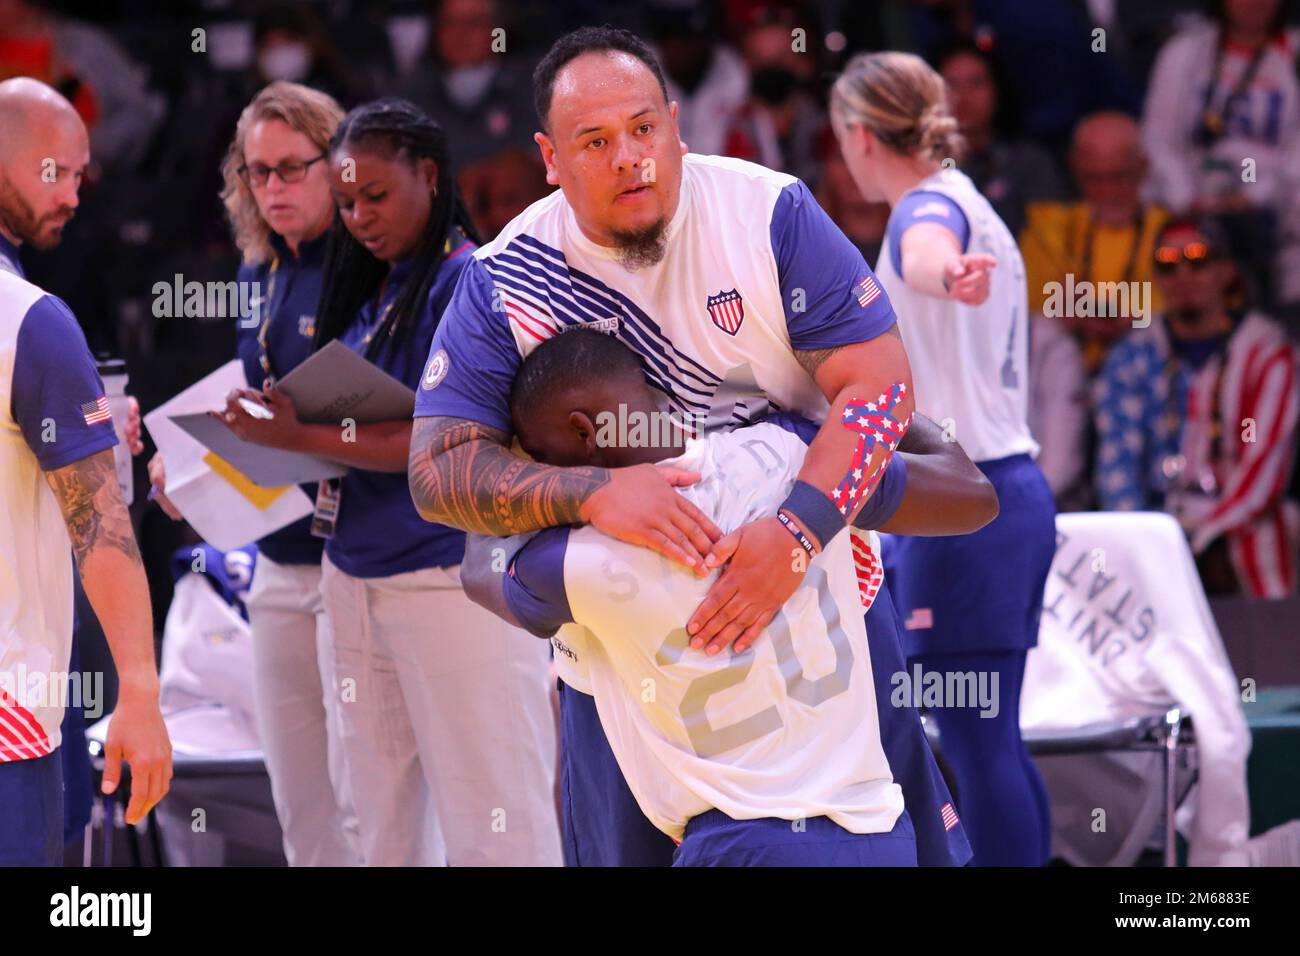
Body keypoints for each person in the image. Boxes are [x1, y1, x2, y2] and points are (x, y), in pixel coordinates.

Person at [408, 26, 916, 865]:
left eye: (644, 129)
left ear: (676, 125)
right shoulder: (506, 278)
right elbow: (437, 470)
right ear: (549, 157)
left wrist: (795, 534)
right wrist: (591, 494)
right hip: (620, 650)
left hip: (810, 601)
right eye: (596, 142)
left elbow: (883, 386)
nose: (629, 158)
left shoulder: (768, 211)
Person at [464, 329, 997, 865]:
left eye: (537, 455)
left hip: (735, 838)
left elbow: (479, 568)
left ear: (582, 433)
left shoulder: (579, 558)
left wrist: (492, 464)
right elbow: (971, 493)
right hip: (873, 826)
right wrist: (858, 394)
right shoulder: (797, 457)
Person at [220, 97, 561, 866]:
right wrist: (285, 430)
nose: (360, 218)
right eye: (346, 204)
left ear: (429, 175)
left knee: (498, 820)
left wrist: (301, 434)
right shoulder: (371, 291)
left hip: (452, 579)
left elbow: (444, 440)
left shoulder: (468, 276)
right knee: (379, 830)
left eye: (376, 196)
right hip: (353, 575)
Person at [830, 51, 1056, 866]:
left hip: (969, 504)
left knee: (974, 742)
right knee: (991, 739)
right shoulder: (969, 199)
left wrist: (943, 272)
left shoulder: (927, 209)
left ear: (858, 134)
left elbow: (929, 249)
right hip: (1006, 497)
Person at [147, 81, 360, 867]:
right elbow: (258, 413)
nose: (272, 189)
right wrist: (196, 475)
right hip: (278, 558)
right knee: (301, 804)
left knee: (370, 802)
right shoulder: (254, 275)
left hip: (360, 559)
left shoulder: (370, 266)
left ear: (336, 166)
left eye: (291, 169)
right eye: (257, 173)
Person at [0, 76, 170, 865]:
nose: (74, 192)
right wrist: (138, 690)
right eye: (57, 172)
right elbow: (99, 527)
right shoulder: (33, 320)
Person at [1095, 215, 1299, 598]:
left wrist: (1204, 540)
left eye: (1198, 260)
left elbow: (1264, 474)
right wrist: (1153, 546)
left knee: (1266, 535)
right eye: (1168, 265)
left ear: (1226, 271)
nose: (1183, 275)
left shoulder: (1266, 355)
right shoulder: (1132, 358)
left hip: (1243, 535)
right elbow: (1117, 470)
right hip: (1156, 536)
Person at [1142, 0, 1300, 307]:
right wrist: (1187, 197)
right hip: (1189, 204)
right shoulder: (1184, 53)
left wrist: (1257, 195)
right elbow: (1158, 139)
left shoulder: (1295, 54)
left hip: (1276, 213)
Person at [1020, 112, 1169, 375]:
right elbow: (1027, 305)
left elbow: (1184, 301)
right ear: (1075, 168)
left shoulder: (1168, 231)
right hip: (1062, 371)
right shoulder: (1049, 229)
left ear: (1143, 168)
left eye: (1120, 177)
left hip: (1145, 368)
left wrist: (1133, 319)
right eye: (1095, 179)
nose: (1108, 192)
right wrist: (1070, 316)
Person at [935, 41, 1066, 240]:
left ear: (997, 89)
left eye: (976, 83)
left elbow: (1052, 246)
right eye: (950, 85)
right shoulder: (923, 167)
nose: (963, 97)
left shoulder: (1030, 162)